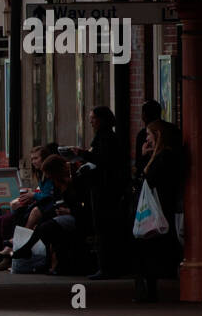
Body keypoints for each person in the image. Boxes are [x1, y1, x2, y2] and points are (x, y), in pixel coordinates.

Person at [65, 106, 127, 279]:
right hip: (102, 187)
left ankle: (106, 267)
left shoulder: (107, 138)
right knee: (103, 227)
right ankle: (106, 266)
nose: (90, 121)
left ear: (101, 119)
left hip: (105, 188)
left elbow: (104, 160)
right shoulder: (104, 137)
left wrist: (84, 154)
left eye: (93, 118)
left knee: (104, 227)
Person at [132, 120, 185, 302]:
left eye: (149, 135)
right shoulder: (168, 156)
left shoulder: (164, 157)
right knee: (148, 251)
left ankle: (146, 292)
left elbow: (148, 178)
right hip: (160, 208)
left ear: (158, 135)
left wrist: (143, 158)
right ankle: (148, 291)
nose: (147, 139)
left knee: (145, 250)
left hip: (157, 209)